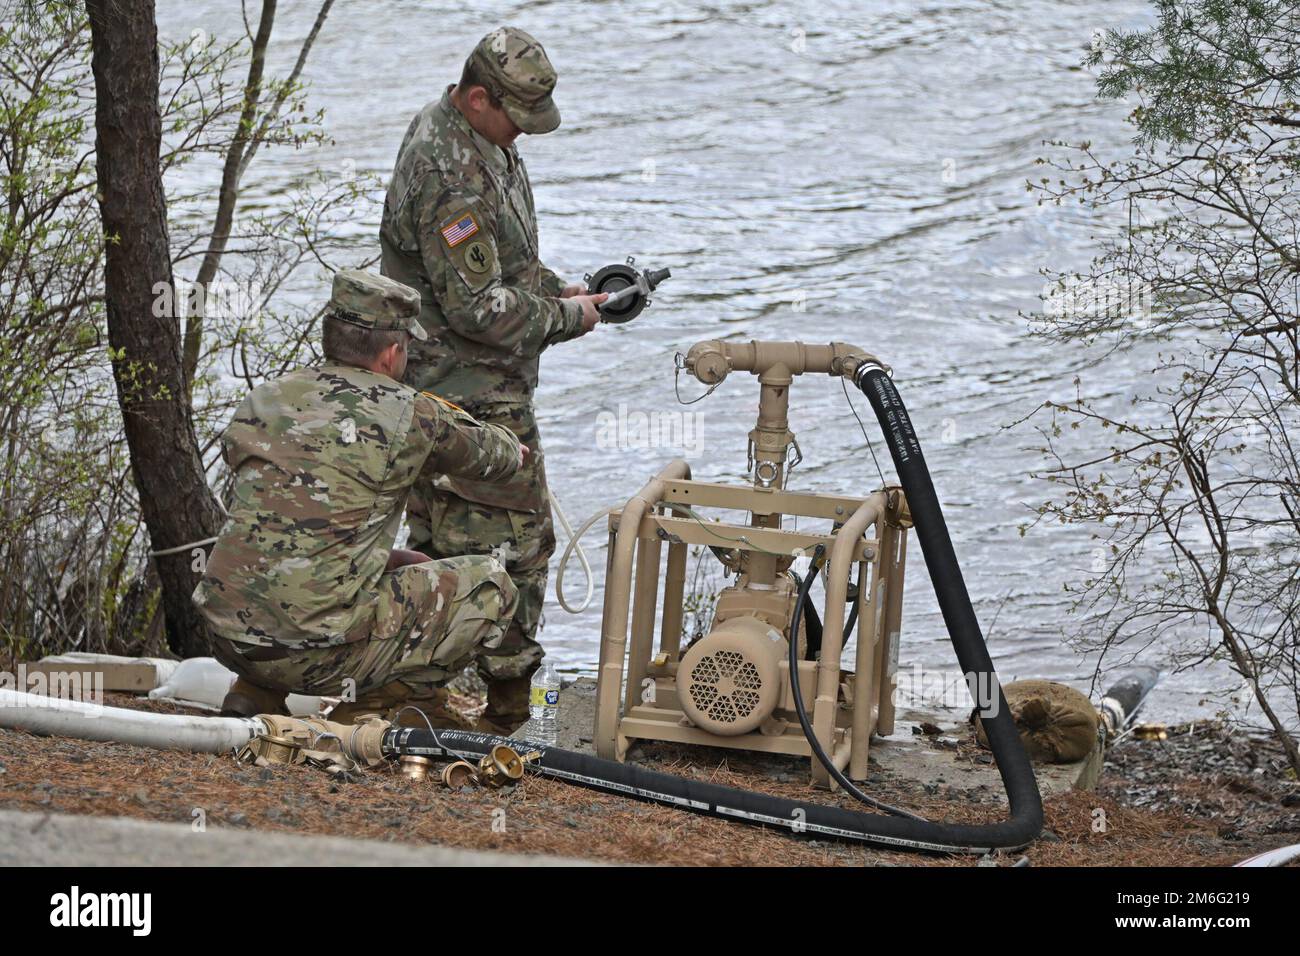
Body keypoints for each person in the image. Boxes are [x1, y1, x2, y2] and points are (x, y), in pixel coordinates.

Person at [379, 26, 606, 732]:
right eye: (516, 119)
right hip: (464, 391)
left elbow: (500, 262)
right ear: (478, 98)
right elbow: (476, 308)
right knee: (518, 541)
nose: (525, 135)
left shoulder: (483, 141)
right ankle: (503, 709)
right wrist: (571, 318)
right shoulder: (449, 170)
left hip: (476, 384)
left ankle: (427, 690)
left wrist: (560, 287)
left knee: (448, 537)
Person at [193, 269, 524, 726]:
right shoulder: (410, 413)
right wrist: (515, 446)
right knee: (492, 584)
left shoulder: (264, 398)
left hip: (228, 640)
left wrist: (381, 557)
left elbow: (293, 517)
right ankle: (387, 703)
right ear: (392, 352)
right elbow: (496, 456)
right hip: (317, 655)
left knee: (315, 576)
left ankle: (254, 691)